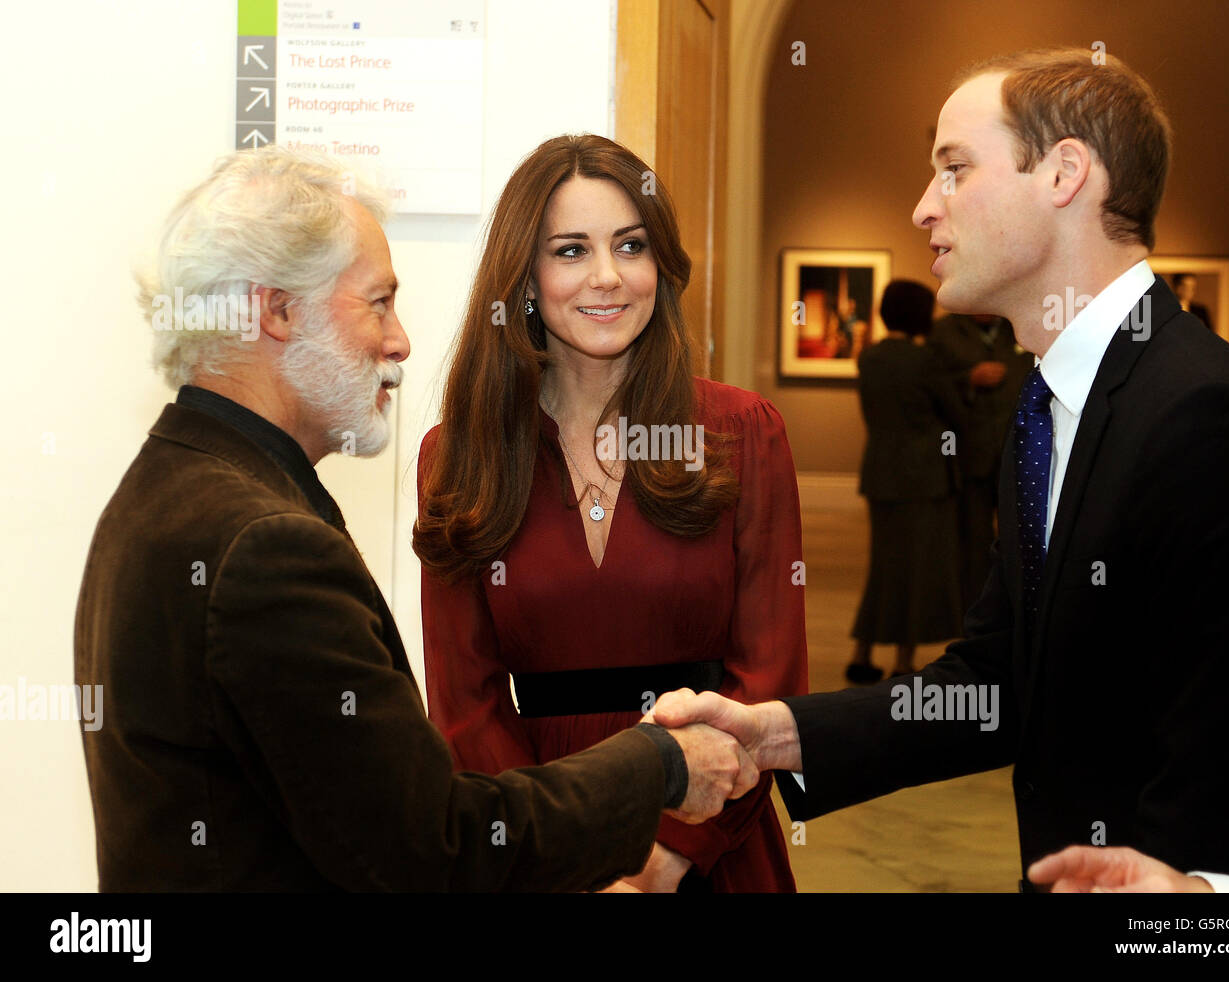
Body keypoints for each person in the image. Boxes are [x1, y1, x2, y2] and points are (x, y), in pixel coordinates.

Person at [649, 48, 1229, 893]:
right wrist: (776, 734)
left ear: (1064, 174)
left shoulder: (1204, 414)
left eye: (954, 169)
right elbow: (996, 681)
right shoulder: (1051, 405)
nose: (924, 206)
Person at [74, 145, 757, 892]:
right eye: (378, 302)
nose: (399, 340)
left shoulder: (163, 486)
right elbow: (431, 846)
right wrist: (659, 763)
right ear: (277, 311)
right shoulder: (266, 547)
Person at [414, 134, 808, 893]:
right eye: (571, 251)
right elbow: (464, 706)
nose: (607, 276)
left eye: (631, 246)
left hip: (715, 839)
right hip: (539, 844)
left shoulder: (742, 432)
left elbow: (771, 677)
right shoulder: (460, 454)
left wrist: (661, 860)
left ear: (661, 266)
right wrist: (556, 861)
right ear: (525, 280)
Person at [846, 279, 966, 684]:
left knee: (883, 566)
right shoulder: (925, 360)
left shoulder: (869, 358)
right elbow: (956, 411)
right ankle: (903, 659)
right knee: (916, 569)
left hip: (881, 471)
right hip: (924, 475)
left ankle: (862, 652)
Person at [929, 312, 1032, 612]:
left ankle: (1016, 608)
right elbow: (931, 385)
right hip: (968, 450)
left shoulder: (1019, 325)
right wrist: (968, 380)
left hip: (1018, 449)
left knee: (1021, 535)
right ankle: (973, 610)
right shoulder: (945, 332)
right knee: (973, 539)